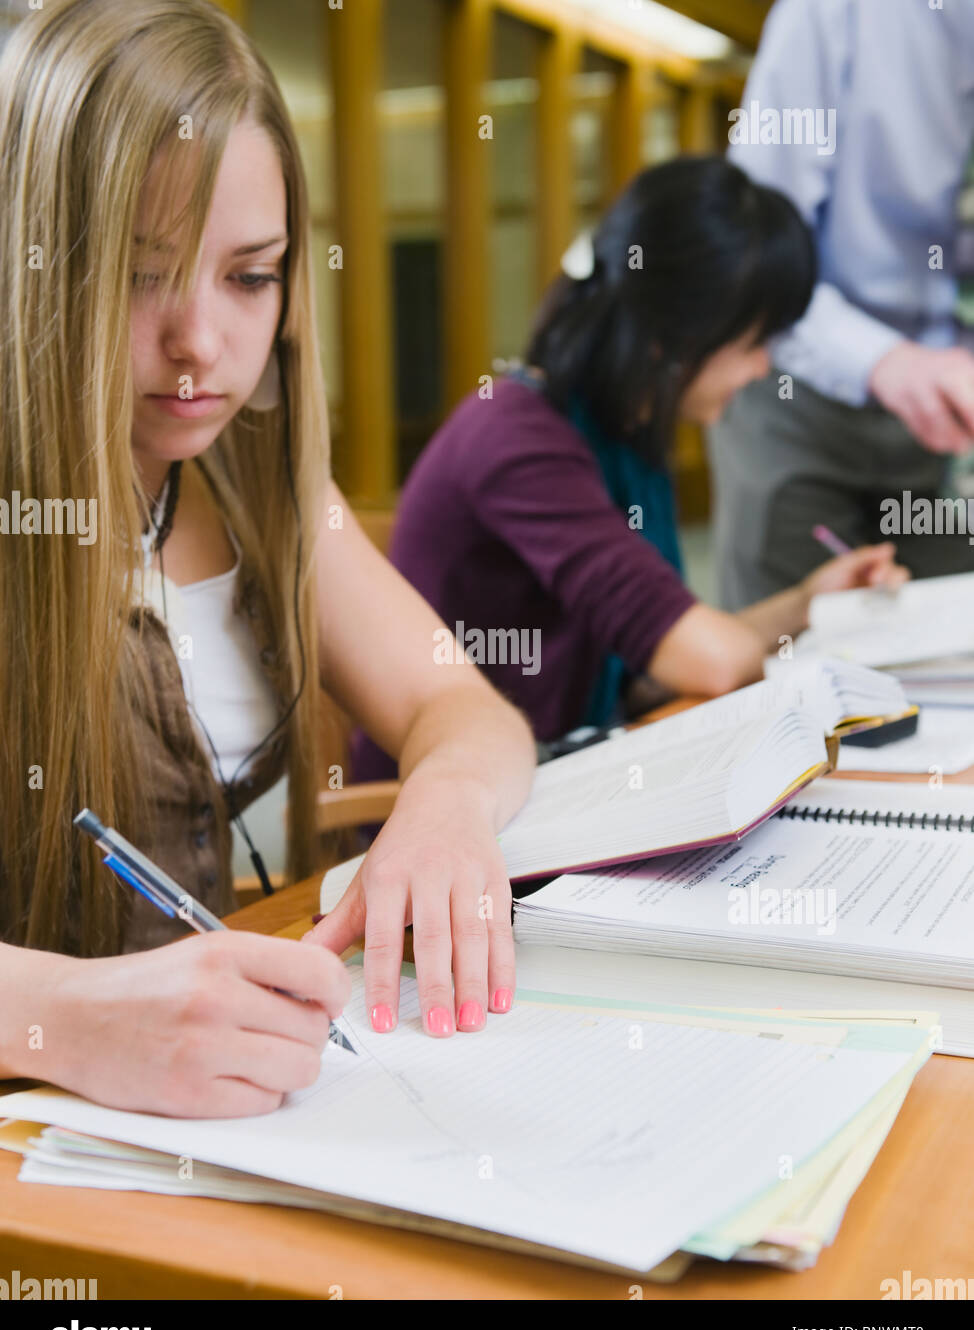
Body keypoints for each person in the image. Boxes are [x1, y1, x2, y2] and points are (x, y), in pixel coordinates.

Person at [0, 0, 536, 1118]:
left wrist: (445, 804)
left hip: (249, 1114)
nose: (201, 344)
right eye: (141, 275)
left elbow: (460, 705)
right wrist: (63, 1009)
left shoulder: (256, 475)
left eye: (249, 276)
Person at [352, 156, 906, 785]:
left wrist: (810, 603)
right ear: (674, 337)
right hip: (445, 813)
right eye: (752, 342)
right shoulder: (517, 438)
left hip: (551, 776)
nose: (760, 370)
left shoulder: (623, 431)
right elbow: (708, 661)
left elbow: (656, 663)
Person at [708, 0, 974, 609]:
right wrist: (887, 362)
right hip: (802, 386)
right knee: (794, 659)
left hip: (952, 437)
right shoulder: (833, 16)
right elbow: (760, 256)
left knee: (950, 650)